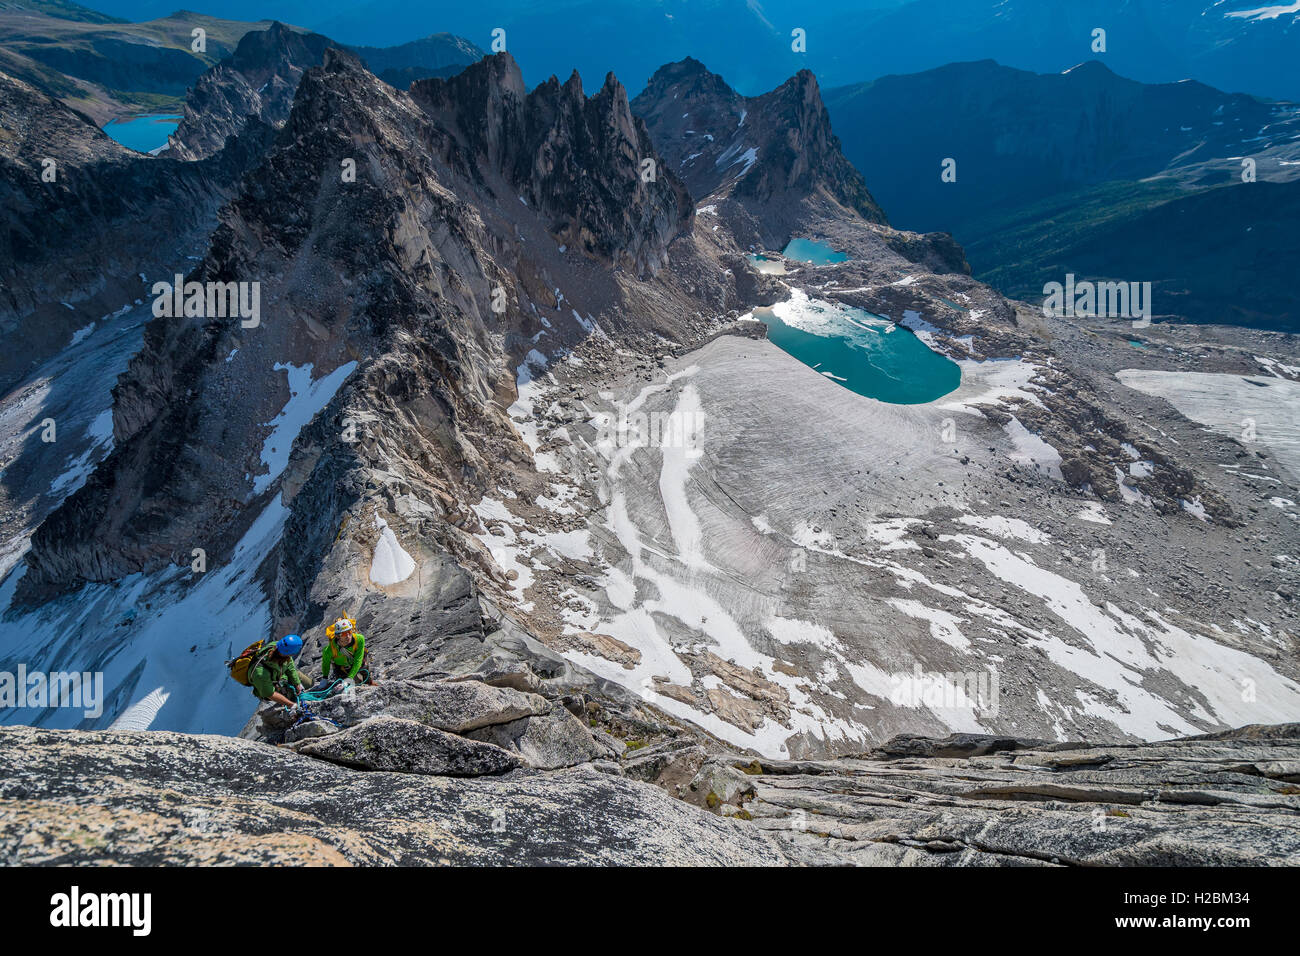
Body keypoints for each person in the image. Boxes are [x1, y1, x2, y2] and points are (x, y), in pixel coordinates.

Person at [249, 634, 306, 708]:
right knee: (292, 698)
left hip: (280, 676)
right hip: (269, 687)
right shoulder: (260, 672)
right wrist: (291, 705)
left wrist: (297, 684)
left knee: (307, 683)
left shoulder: (280, 646)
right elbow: (269, 693)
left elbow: (290, 665)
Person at [318, 616, 372, 687]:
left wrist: (349, 677)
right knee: (351, 685)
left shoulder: (359, 639)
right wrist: (325, 678)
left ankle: (369, 682)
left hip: (356, 663)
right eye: (343, 633)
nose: (348, 636)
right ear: (337, 636)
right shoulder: (329, 650)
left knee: (364, 668)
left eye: (349, 631)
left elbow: (358, 660)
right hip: (342, 669)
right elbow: (326, 664)